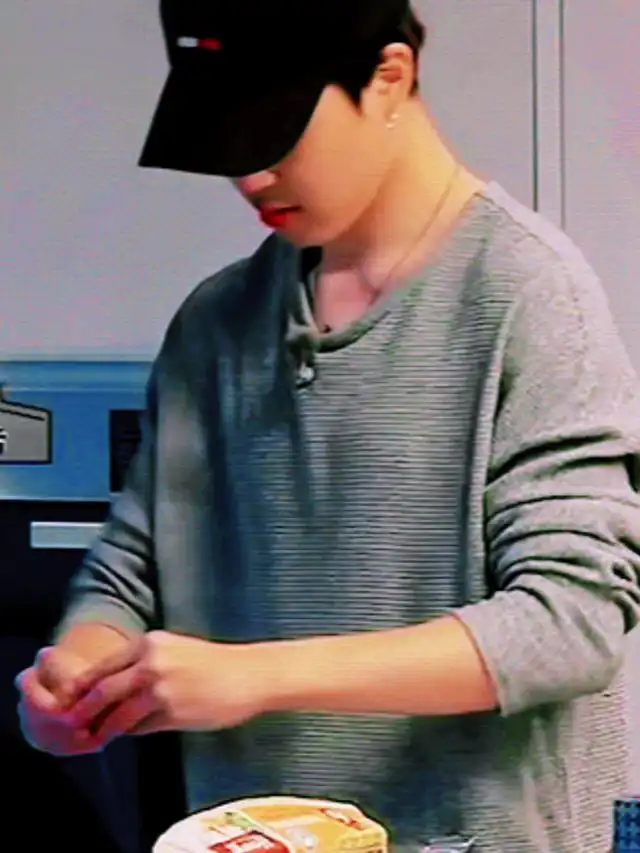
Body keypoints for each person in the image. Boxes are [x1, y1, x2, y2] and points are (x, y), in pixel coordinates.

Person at [15, 0, 640, 850]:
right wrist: (81, 674)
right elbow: (131, 575)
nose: (250, 177)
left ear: (389, 78)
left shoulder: (529, 297)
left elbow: (572, 621)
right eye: (226, 139)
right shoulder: (215, 324)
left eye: (276, 135)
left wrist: (257, 677)